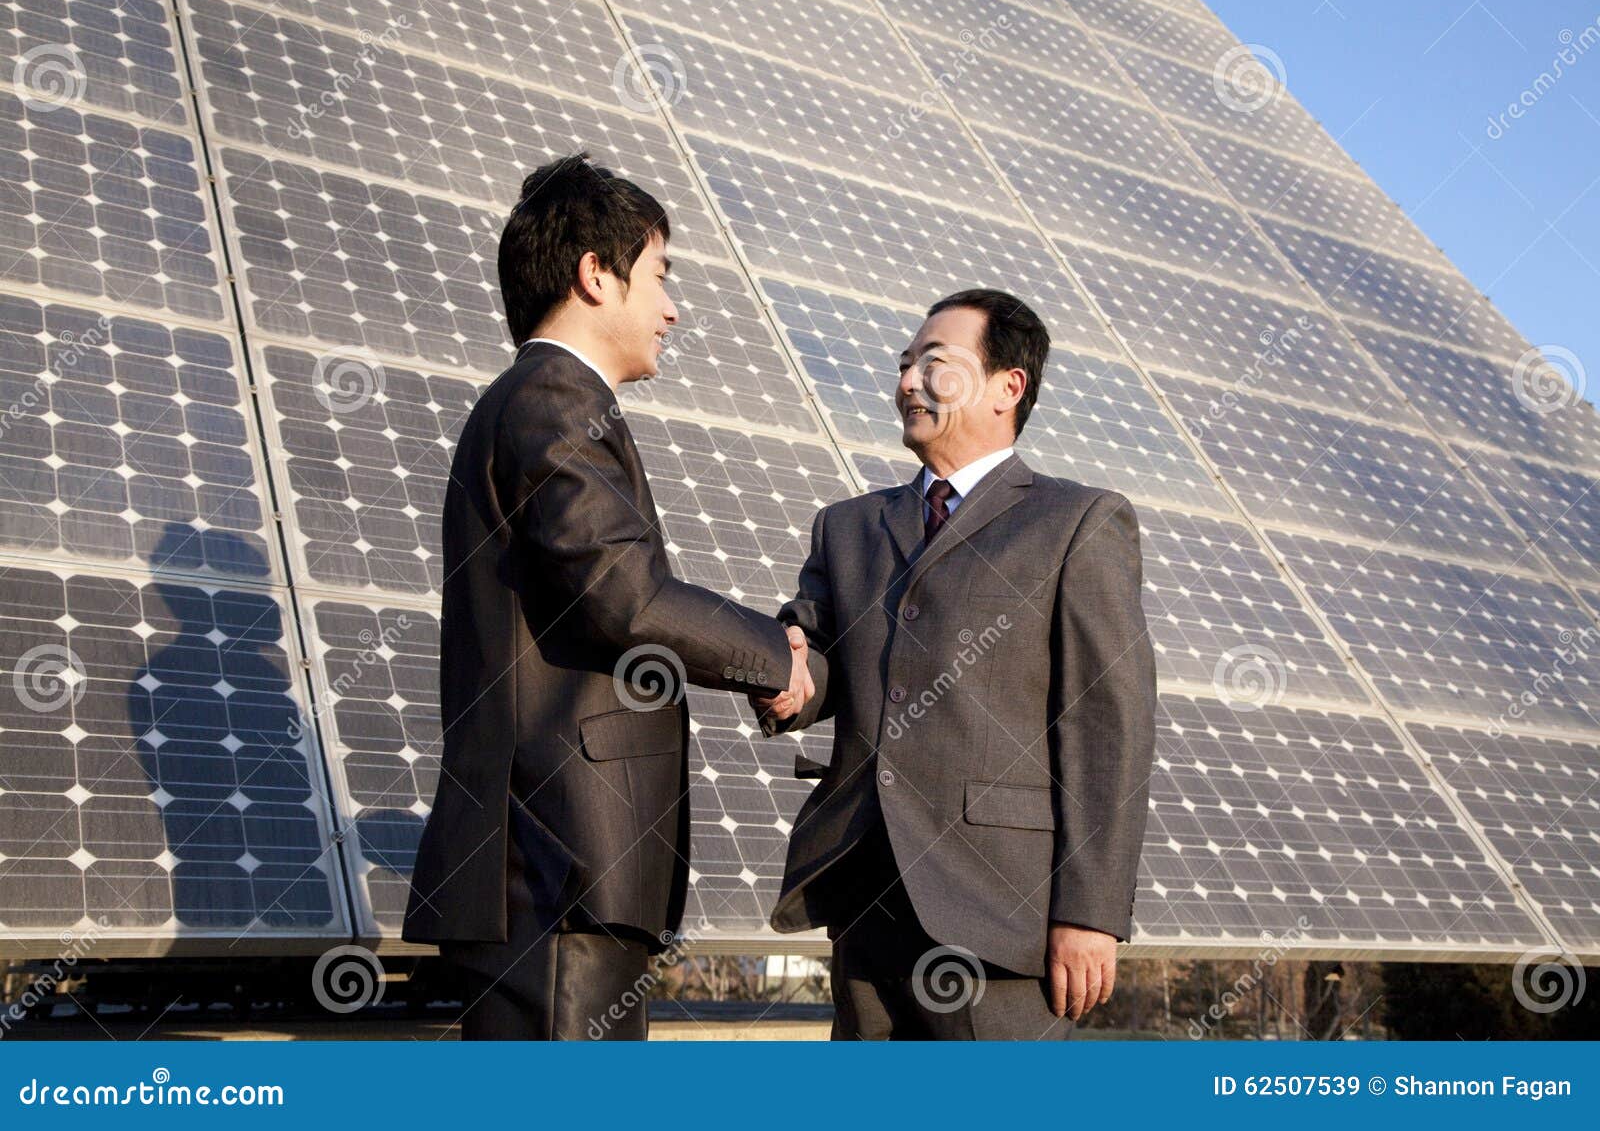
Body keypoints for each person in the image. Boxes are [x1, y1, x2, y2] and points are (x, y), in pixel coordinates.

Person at [403, 152, 812, 1040]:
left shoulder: (542, 402)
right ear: (596, 275)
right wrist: (776, 655)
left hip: (555, 868)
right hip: (555, 861)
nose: (672, 308)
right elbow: (623, 595)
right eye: (660, 276)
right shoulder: (551, 398)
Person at [754, 289, 1157, 1039]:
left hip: (1001, 917)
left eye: (933, 363)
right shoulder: (847, 527)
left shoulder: (1078, 522)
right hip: (865, 901)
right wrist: (786, 683)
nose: (907, 381)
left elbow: (1110, 726)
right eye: (904, 364)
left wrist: (1090, 911)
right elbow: (816, 664)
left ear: (1009, 387)